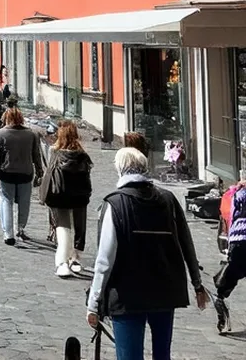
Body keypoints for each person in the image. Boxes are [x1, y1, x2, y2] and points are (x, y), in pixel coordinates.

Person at [87, 147, 209, 360]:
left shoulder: (114, 204)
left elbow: (105, 260)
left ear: (119, 170)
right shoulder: (168, 199)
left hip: (127, 295)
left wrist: (93, 302)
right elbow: (186, 243)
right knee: (163, 355)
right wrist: (197, 284)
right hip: (165, 289)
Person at [39, 121, 93, 277]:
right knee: (80, 225)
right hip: (79, 195)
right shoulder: (83, 155)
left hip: (59, 195)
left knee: (63, 227)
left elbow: (48, 173)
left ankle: (62, 262)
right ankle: (75, 258)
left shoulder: (54, 152)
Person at [0, 107, 45, 245]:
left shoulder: (2, 133)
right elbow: (36, 155)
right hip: (26, 172)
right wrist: (39, 171)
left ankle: (8, 233)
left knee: (6, 201)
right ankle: (20, 229)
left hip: (6, 173)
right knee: (24, 203)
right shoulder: (31, 134)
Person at [214, 170, 246, 334]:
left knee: (233, 271)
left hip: (237, 240)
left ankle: (220, 295)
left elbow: (229, 217)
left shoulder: (235, 193)